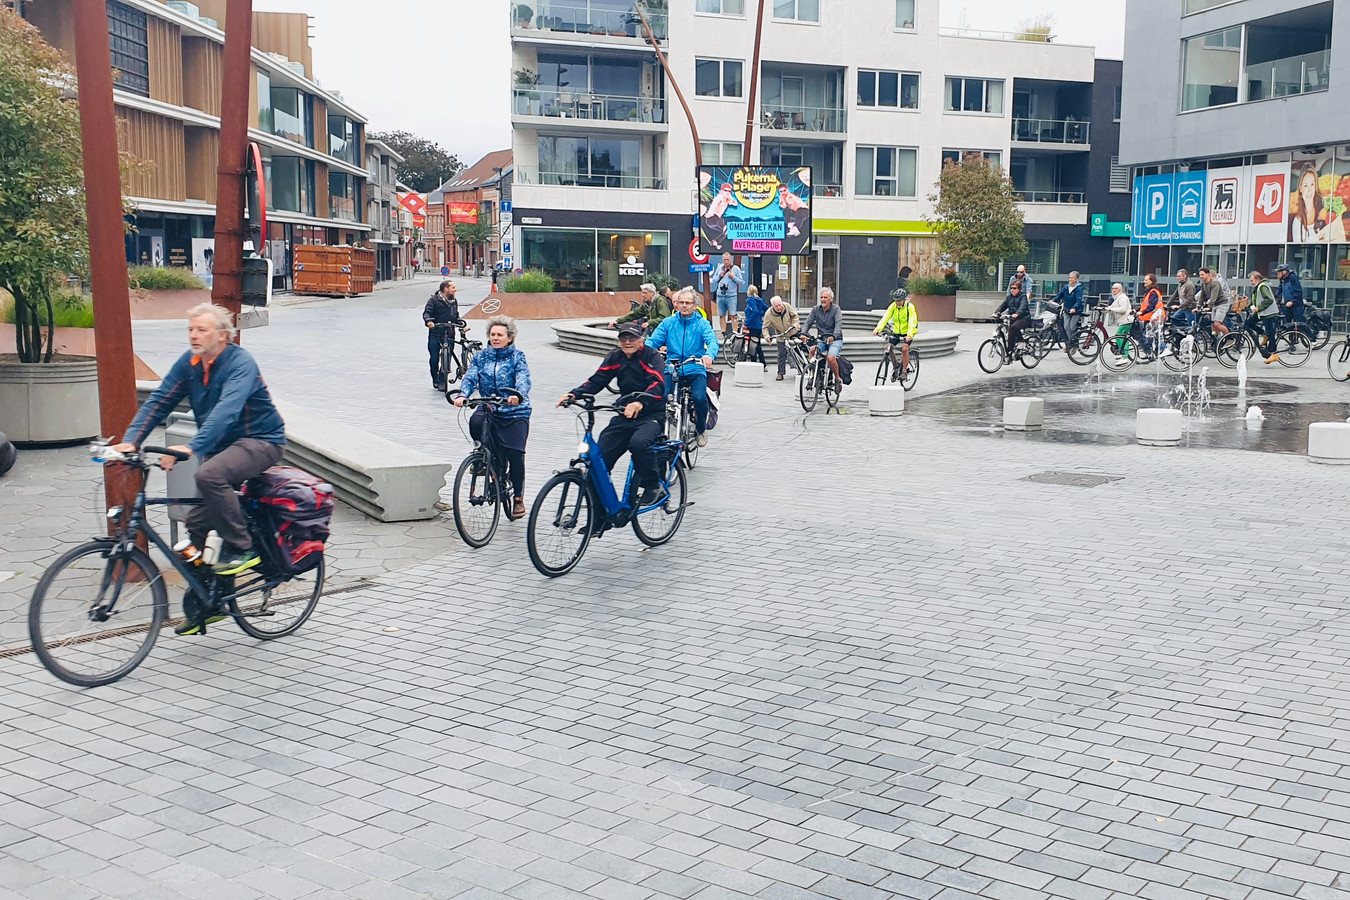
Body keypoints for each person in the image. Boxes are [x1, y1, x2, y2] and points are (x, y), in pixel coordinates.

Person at [115, 304, 286, 632]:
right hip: (225, 446)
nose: (194, 335)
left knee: (209, 474)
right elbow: (158, 401)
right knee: (195, 524)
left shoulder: (240, 363)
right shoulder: (189, 364)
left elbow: (227, 411)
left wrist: (191, 447)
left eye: (202, 329)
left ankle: (243, 546)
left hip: (261, 440)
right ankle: (211, 604)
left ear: (222, 336)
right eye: (191, 329)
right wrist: (131, 441)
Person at [559, 322, 668, 506]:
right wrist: (574, 394)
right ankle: (600, 518)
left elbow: (658, 384)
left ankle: (653, 485)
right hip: (624, 414)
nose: (627, 341)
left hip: (651, 415)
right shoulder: (615, 357)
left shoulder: (651, 355)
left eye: (632, 338)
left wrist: (640, 402)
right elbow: (597, 380)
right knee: (598, 462)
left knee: (639, 444)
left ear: (641, 339)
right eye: (623, 338)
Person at [452, 315, 532, 519]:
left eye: (500, 335)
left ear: (509, 338)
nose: (495, 338)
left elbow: (523, 377)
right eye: (493, 334)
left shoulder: (517, 357)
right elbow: (471, 376)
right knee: (475, 421)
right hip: (489, 405)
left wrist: (517, 395)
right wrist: (463, 394)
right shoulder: (481, 356)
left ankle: (518, 499)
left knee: (515, 454)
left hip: (515, 411)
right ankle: (483, 457)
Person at [647, 286, 719, 447]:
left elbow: (712, 341)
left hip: (695, 368)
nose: (684, 305)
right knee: (661, 396)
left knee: (700, 398)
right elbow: (653, 340)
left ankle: (701, 429)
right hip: (672, 368)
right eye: (681, 302)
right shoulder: (668, 323)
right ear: (676, 305)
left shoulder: (702, 324)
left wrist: (709, 355)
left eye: (688, 302)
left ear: (695, 305)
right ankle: (657, 429)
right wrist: (644, 351)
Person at [423, 280, 466, 387]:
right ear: (446, 289)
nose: (455, 289)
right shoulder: (434, 300)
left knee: (447, 357)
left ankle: (443, 379)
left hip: (449, 332)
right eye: (453, 287)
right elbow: (427, 312)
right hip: (436, 333)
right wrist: (429, 321)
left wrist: (462, 325)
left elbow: (456, 316)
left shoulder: (454, 301)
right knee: (434, 358)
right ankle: (435, 378)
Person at [801, 287, 844, 385]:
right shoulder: (816, 309)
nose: (823, 299)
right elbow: (808, 322)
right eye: (821, 297)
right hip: (822, 339)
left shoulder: (836, 309)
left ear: (831, 299)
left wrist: (834, 336)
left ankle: (837, 379)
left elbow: (838, 324)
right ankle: (814, 376)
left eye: (825, 297)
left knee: (830, 358)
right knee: (812, 350)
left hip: (835, 340)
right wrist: (803, 333)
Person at [872, 287, 918, 377]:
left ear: (904, 299)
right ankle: (896, 366)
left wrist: (910, 334)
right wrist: (878, 329)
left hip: (908, 332)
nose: (898, 303)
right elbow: (886, 317)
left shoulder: (910, 307)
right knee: (889, 347)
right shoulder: (893, 306)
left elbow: (913, 321)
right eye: (896, 301)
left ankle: (904, 371)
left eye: (900, 301)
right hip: (896, 332)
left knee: (904, 349)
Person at [762, 294, 800, 381]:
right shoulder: (768, 314)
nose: (779, 308)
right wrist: (767, 336)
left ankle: (803, 367)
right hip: (781, 335)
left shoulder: (787, 306)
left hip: (793, 331)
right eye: (776, 306)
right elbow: (765, 327)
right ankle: (780, 373)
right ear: (772, 306)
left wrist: (795, 323)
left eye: (780, 305)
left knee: (800, 347)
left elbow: (795, 316)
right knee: (781, 354)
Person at [1248, 270, 1281, 364]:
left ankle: (1273, 354)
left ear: (1258, 279)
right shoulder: (1258, 287)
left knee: (1271, 333)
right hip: (1262, 313)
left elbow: (1269, 299)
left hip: (1268, 313)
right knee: (1249, 323)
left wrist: (1259, 308)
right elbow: (1256, 300)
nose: (1251, 282)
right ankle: (1264, 334)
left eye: (1252, 280)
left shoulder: (1262, 287)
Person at [1289, 164, 1324, 243]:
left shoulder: (1323, 210)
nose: (1309, 190)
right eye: (1305, 186)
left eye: (1312, 185)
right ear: (1300, 189)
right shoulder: (1297, 222)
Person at [994, 280, 1031, 353]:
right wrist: (997, 312)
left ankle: (1022, 341)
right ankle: (1009, 352)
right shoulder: (1009, 297)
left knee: (1014, 327)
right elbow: (1002, 306)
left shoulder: (1023, 296)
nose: (1012, 290)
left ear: (1019, 289)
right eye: (1011, 288)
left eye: (1014, 288)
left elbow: (1023, 306)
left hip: (1023, 318)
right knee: (1010, 333)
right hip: (1012, 318)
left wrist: (1017, 313)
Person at [713, 252, 744, 337]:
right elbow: (714, 280)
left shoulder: (736, 269)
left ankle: (735, 333)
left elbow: (741, 282)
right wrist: (720, 276)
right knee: (721, 315)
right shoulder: (719, 268)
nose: (726, 261)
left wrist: (733, 277)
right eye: (724, 259)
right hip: (720, 295)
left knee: (733, 315)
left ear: (731, 260)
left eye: (728, 259)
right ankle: (723, 333)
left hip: (731, 296)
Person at [1051, 271, 1085, 345]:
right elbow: (1060, 295)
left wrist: (1074, 308)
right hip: (1067, 309)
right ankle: (1069, 343)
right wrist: (1053, 300)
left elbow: (1078, 300)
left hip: (1075, 311)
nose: (1070, 279)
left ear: (1076, 279)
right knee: (1066, 327)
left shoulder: (1078, 288)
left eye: (1072, 278)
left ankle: (1073, 342)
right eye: (1069, 277)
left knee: (1072, 328)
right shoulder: (1066, 287)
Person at [1197, 267, 1233, 337]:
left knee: (1217, 323)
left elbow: (1214, 297)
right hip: (1215, 305)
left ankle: (1230, 338)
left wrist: (1209, 307)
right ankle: (1218, 342)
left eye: (1202, 274)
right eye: (1200, 275)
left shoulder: (1215, 283)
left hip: (1222, 304)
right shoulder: (1204, 284)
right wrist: (1198, 307)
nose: (1201, 276)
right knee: (1214, 327)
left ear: (1208, 274)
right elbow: (1202, 296)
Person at [1136, 273, 1166, 352]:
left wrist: (1142, 312)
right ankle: (1151, 353)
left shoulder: (1154, 292)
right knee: (1149, 335)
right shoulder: (1149, 292)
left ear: (1151, 282)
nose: (1144, 281)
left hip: (1155, 317)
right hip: (1149, 316)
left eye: (1146, 280)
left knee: (1154, 335)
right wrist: (1136, 310)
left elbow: (1151, 306)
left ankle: (1164, 349)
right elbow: (1145, 305)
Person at [741, 285, 769, 365]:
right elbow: (767, 309)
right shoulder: (759, 300)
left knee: (753, 345)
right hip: (759, 325)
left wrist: (747, 323)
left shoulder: (751, 300)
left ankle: (755, 363)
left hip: (752, 325)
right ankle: (762, 363)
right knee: (757, 345)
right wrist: (760, 314)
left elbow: (754, 311)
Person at [1277, 264, 1305, 331]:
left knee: (1298, 323)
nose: (1277, 275)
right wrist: (1274, 297)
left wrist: (1292, 301)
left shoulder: (1292, 278)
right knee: (1287, 323)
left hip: (1296, 304)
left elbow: (1298, 291)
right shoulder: (1282, 280)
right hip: (1288, 304)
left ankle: (1310, 336)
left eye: (1278, 272)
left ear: (1284, 272)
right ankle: (1292, 337)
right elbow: (1279, 290)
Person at [1106, 283, 1134, 351]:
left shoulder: (1122, 297)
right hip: (1123, 321)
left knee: (1119, 336)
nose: (1114, 290)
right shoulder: (1117, 298)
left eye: (1116, 288)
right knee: (1122, 337)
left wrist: (1111, 309)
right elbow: (1112, 306)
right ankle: (1122, 353)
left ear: (1120, 289)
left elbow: (1123, 309)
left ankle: (1124, 356)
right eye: (1113, 288)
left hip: (1126, 320)